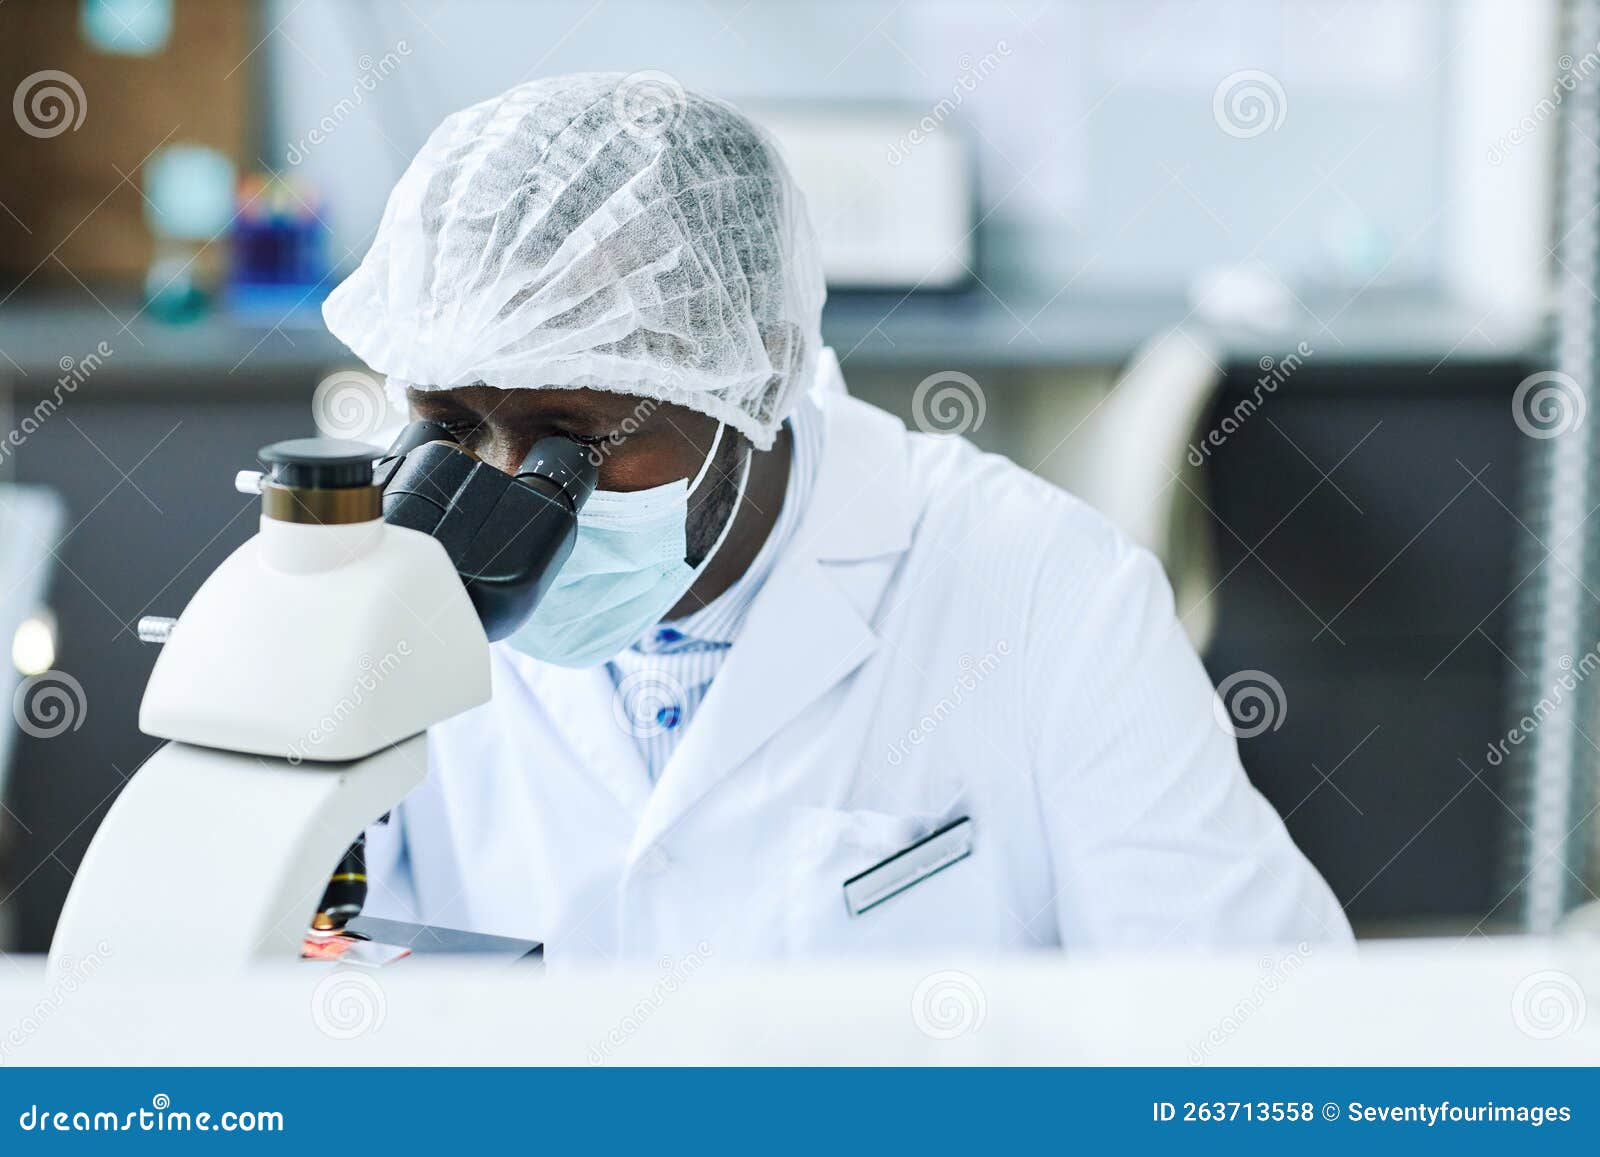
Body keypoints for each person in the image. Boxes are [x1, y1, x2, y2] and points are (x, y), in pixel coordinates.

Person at [323, 73, 1351, 965]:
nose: (504, 492)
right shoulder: (378, 596)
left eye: (569, 437)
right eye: (450, 424)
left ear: (752, 372)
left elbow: (1257, 1032)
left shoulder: (1052, 594)